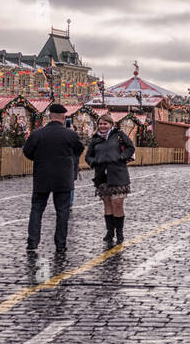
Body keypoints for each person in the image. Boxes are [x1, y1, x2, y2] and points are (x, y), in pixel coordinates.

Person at [22, 103, 85, 254]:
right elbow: (79, 150)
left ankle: (33, 241)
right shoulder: (71, 135)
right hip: (63, 177)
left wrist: (39, 159)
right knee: (62, 212)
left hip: (42, 176)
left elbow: (27, 152)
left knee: (37, 209)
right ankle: (60, 244)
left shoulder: (37, 134)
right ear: (64, 117)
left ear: (49, 116)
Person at [87, 116, 135, 244]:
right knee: (107, 203)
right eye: (100, 124)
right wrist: (94, 162)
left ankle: (119, 232)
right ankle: (110, 232)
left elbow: (131, 148)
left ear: (111, 124)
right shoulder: (95, 139)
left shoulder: (119, 135)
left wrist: (122, 157)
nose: (102, 126)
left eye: (105, 124)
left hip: (118, 173)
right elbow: (88, 156)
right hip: (101, 175)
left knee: (117, 203)